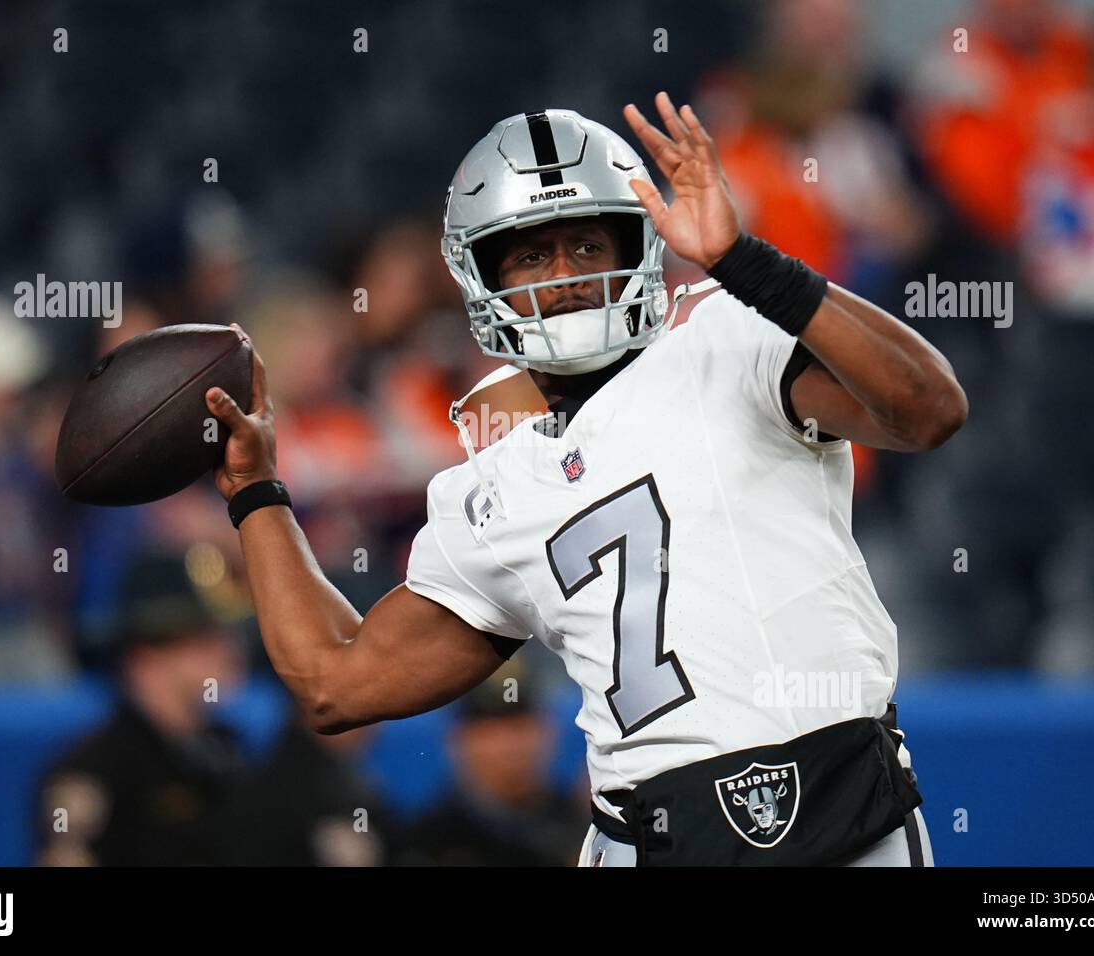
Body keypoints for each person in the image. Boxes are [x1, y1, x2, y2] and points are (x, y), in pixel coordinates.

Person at [203, 94, 966, 866]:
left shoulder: (728, 332)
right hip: (655, 839)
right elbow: (336, 683)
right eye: (532, 255)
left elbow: (927, 409)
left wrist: (745, 263)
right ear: (482, 275)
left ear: (637, 248)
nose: (563, 276)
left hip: (853, 817)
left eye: (588, 246)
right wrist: (257, 492)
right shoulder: (491, 491)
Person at [34, 552, 244, 866]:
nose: (228, 653)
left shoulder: (224, 748)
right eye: (202, 640)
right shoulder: (93, 772)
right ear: (144, 660)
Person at [403, 666, 583, 867]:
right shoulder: (430, 841)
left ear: (549, 732)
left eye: (518, 726)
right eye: (491, 731)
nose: (510, 746)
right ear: (458, 740)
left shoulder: (586, 823)